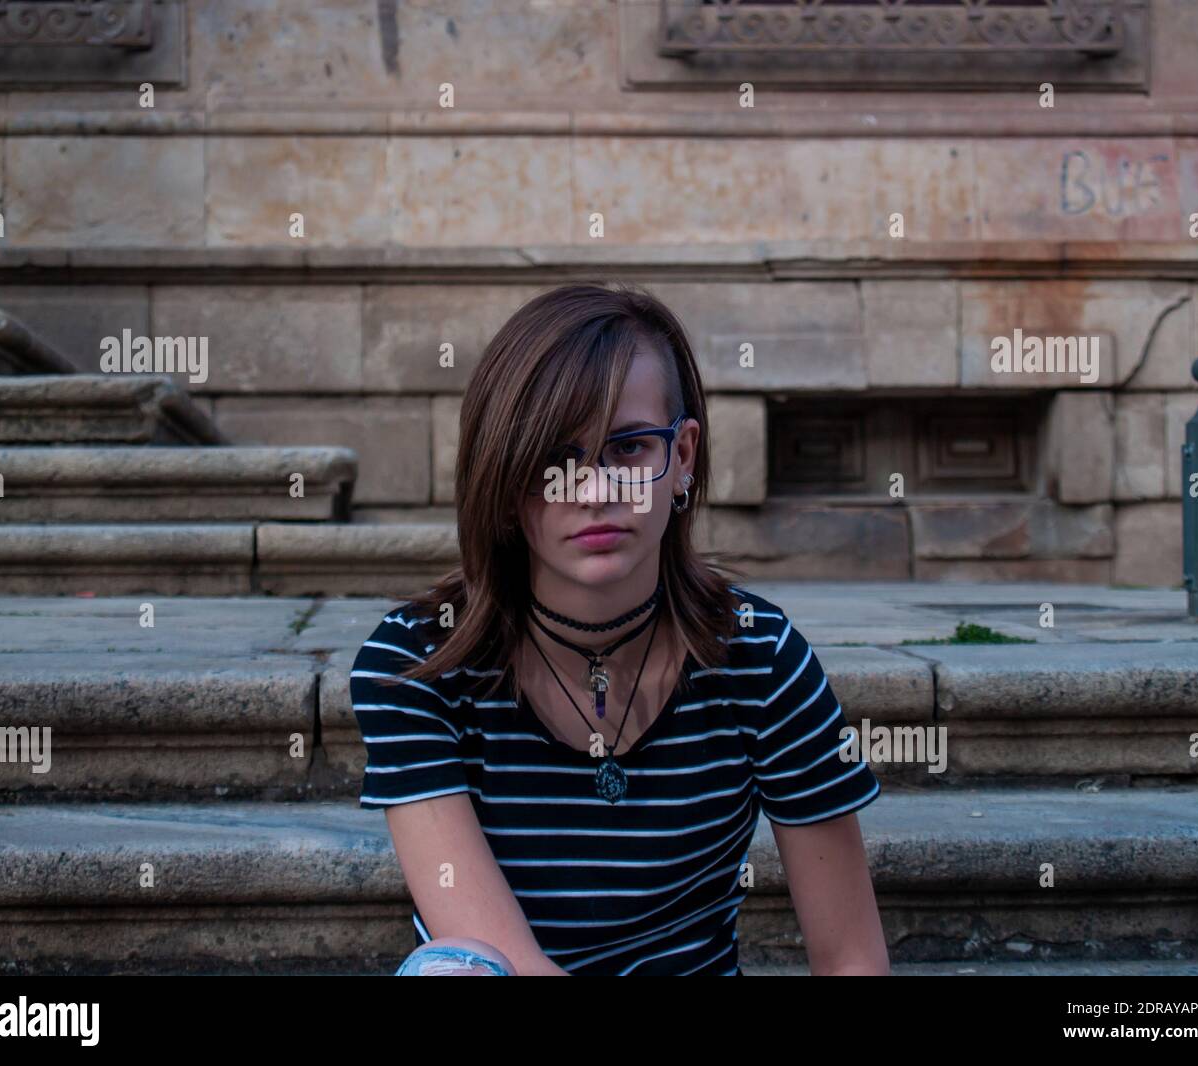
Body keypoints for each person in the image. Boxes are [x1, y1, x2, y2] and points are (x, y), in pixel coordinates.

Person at [351, 281, 887, 976]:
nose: (596, 490)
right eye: (554, 459)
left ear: (683, 457)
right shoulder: (417, 664)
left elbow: (851, 957)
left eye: (628, 448)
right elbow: (508, 963)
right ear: (504, 479)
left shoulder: (758, 655)